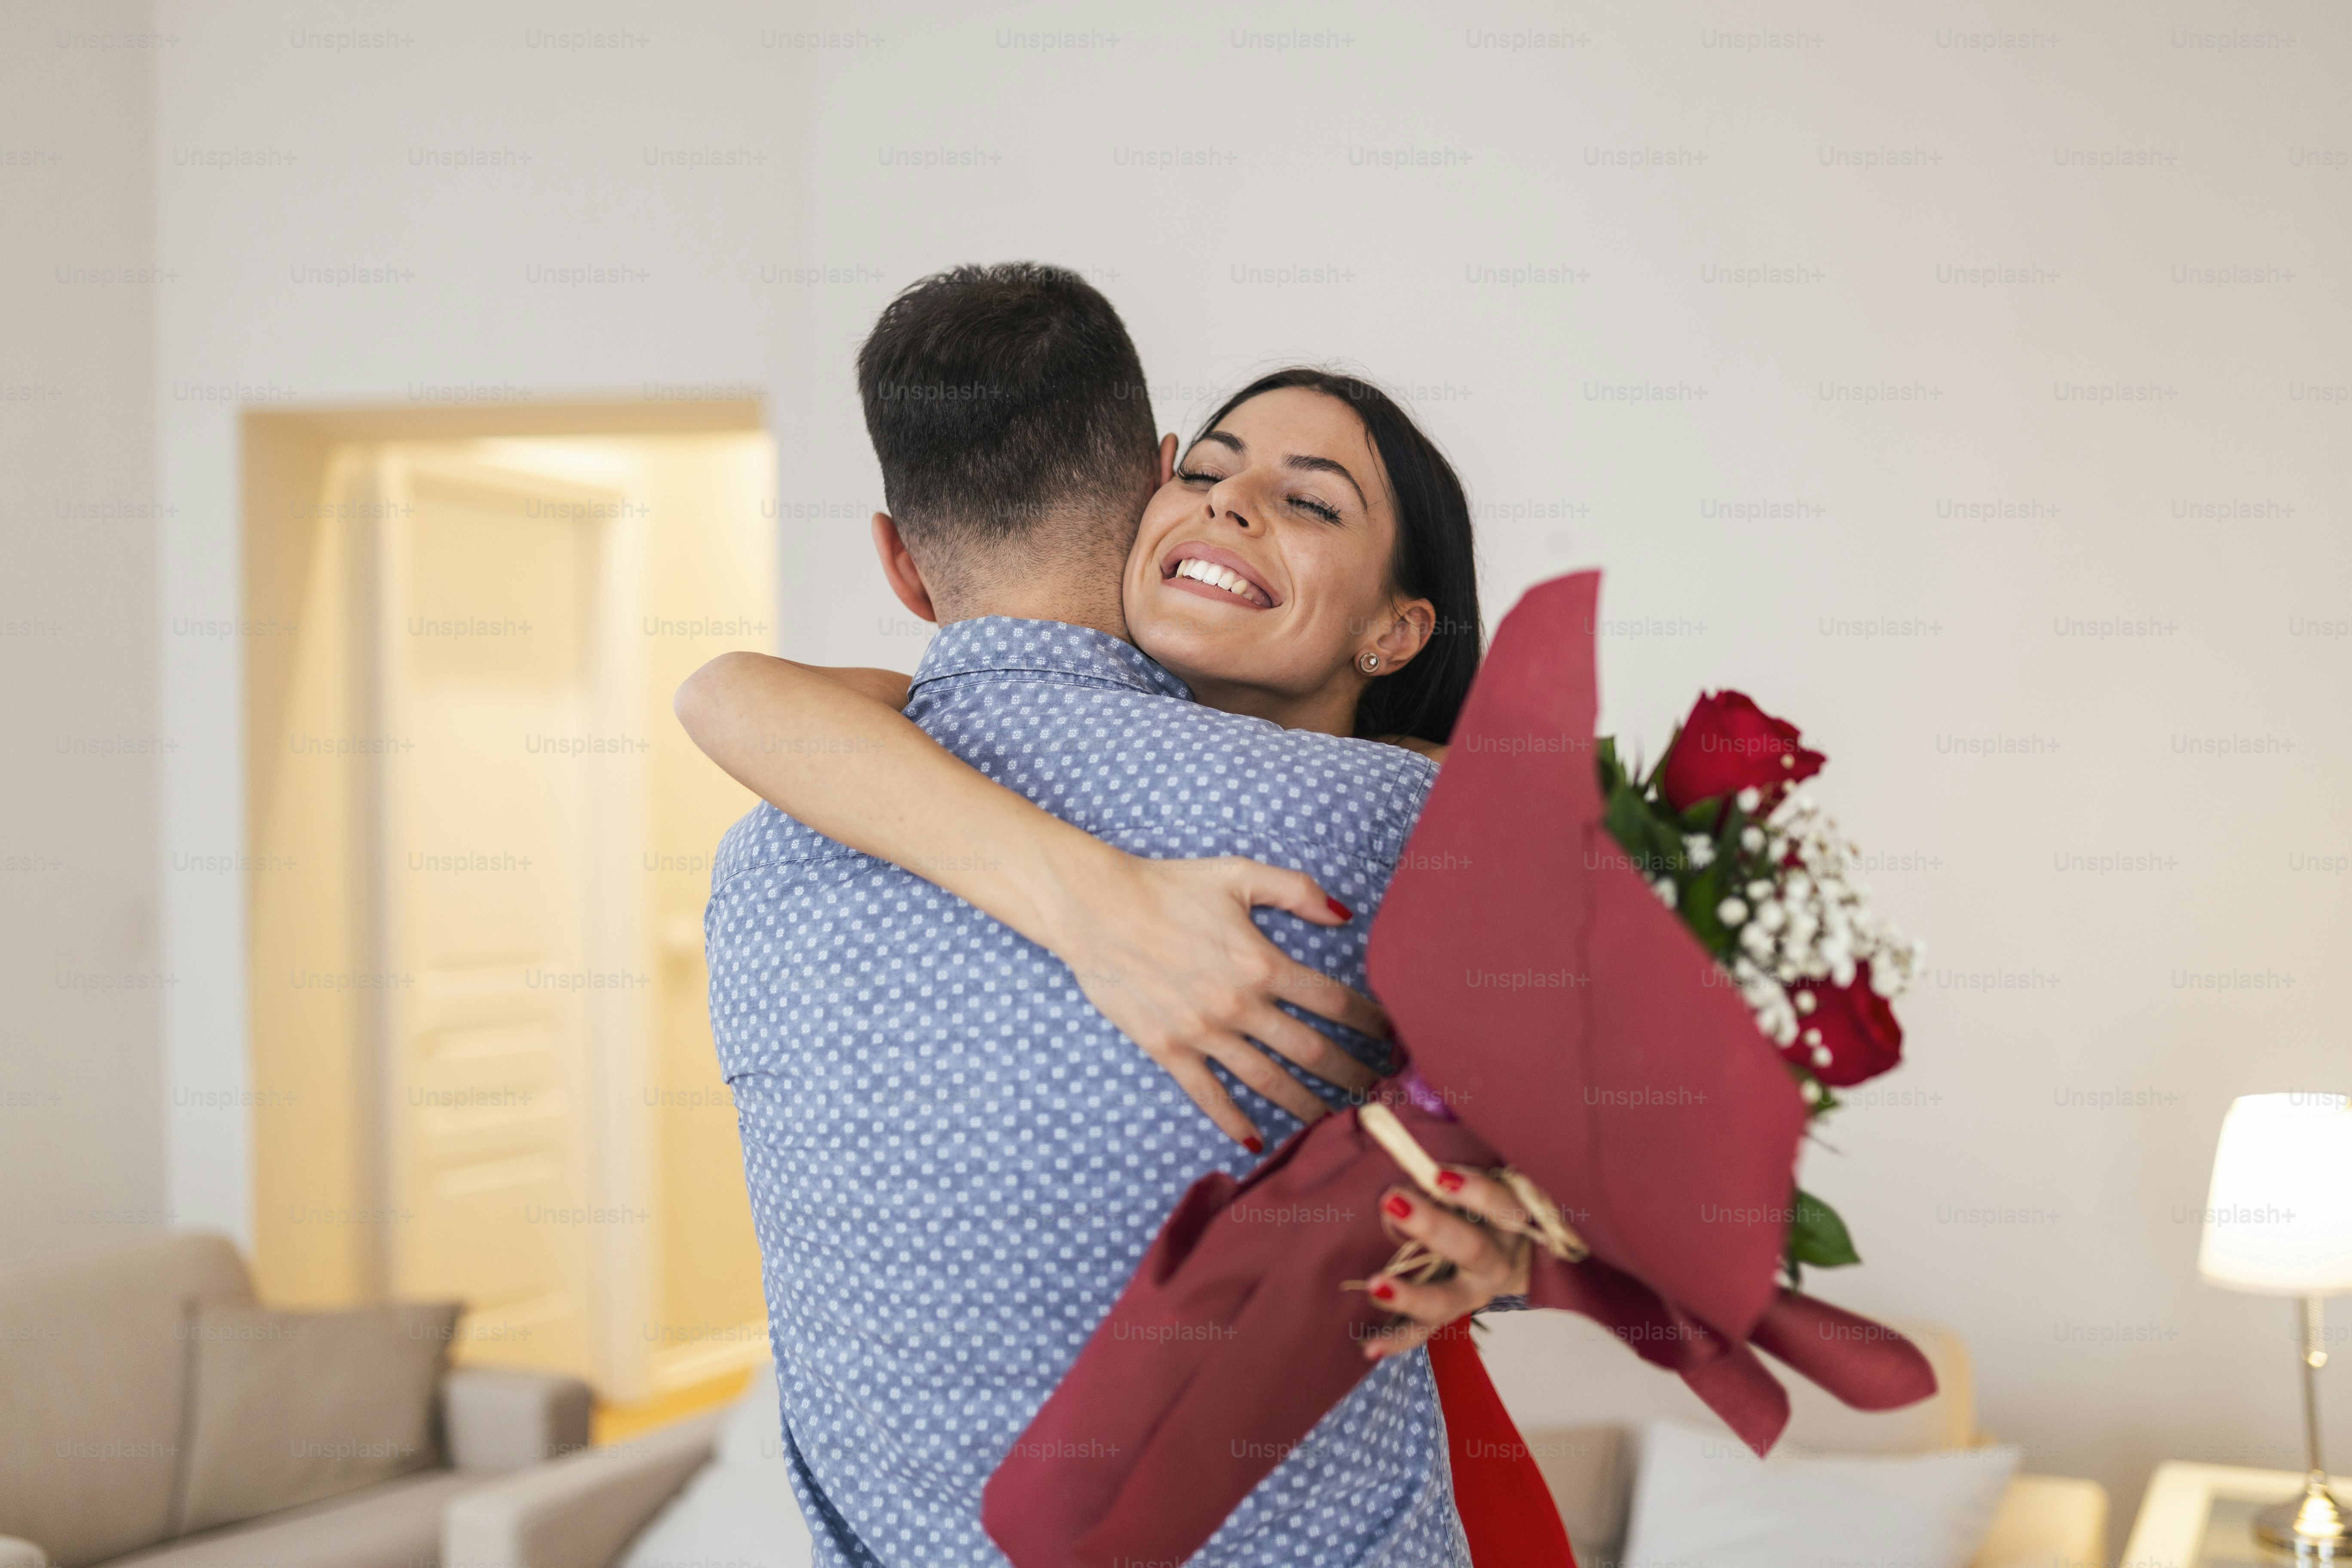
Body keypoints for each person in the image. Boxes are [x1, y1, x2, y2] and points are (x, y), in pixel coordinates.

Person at [686, 263, 1545, 1568]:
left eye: (1310, 501)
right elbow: (729, 694)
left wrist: (1540, 1236)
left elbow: (1652, 1134)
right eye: (1209, 473)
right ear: (1150, 489)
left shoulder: (765, 858)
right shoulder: (1381, 823)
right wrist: (1095, 904)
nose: (1235, 505)